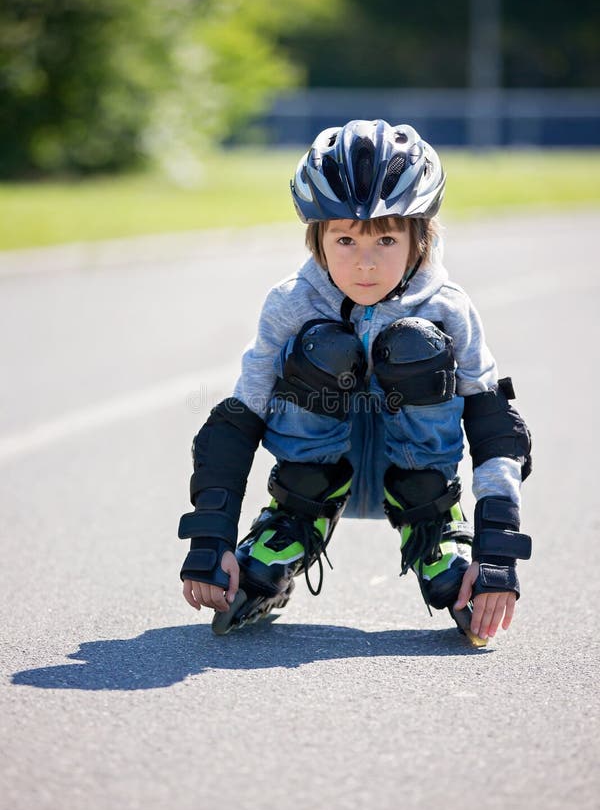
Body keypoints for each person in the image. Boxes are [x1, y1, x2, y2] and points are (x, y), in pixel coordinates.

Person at [178, 119, 532, 642]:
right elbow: (240, 415)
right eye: (345, 239)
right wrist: (211, 537)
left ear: (420, 238)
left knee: (418, 342)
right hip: (312, 470)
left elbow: (494, 426)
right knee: (325, 346)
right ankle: (291, 522)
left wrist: (498, 549)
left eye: (386, 239)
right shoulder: (290, 303)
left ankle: (433, 527)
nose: (365, 264)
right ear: (317, 239)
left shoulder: (448, 307)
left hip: (418, 472)